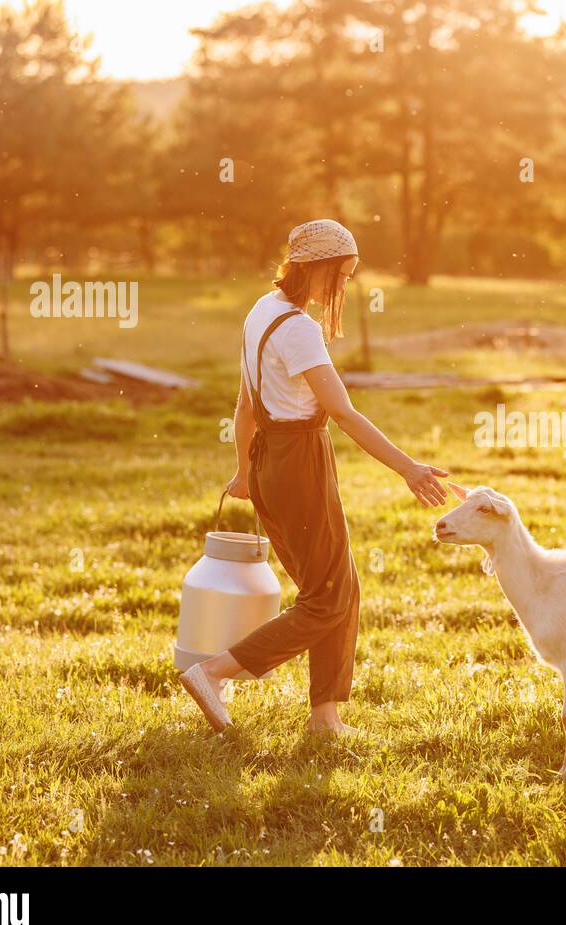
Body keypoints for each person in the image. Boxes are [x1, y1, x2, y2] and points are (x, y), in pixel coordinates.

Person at [179, 219, 449, 735]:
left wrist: (244, 470)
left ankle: (325, 716)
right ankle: (214, 672)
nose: (344, 286)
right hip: (299, 461)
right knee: (327, 597)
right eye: (342, 275)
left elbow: (244, 404)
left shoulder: (263, 310)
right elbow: (343, 412)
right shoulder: (299, 329)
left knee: (337, 587)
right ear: (321, 268)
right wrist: (408, 468)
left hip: (268, 462)